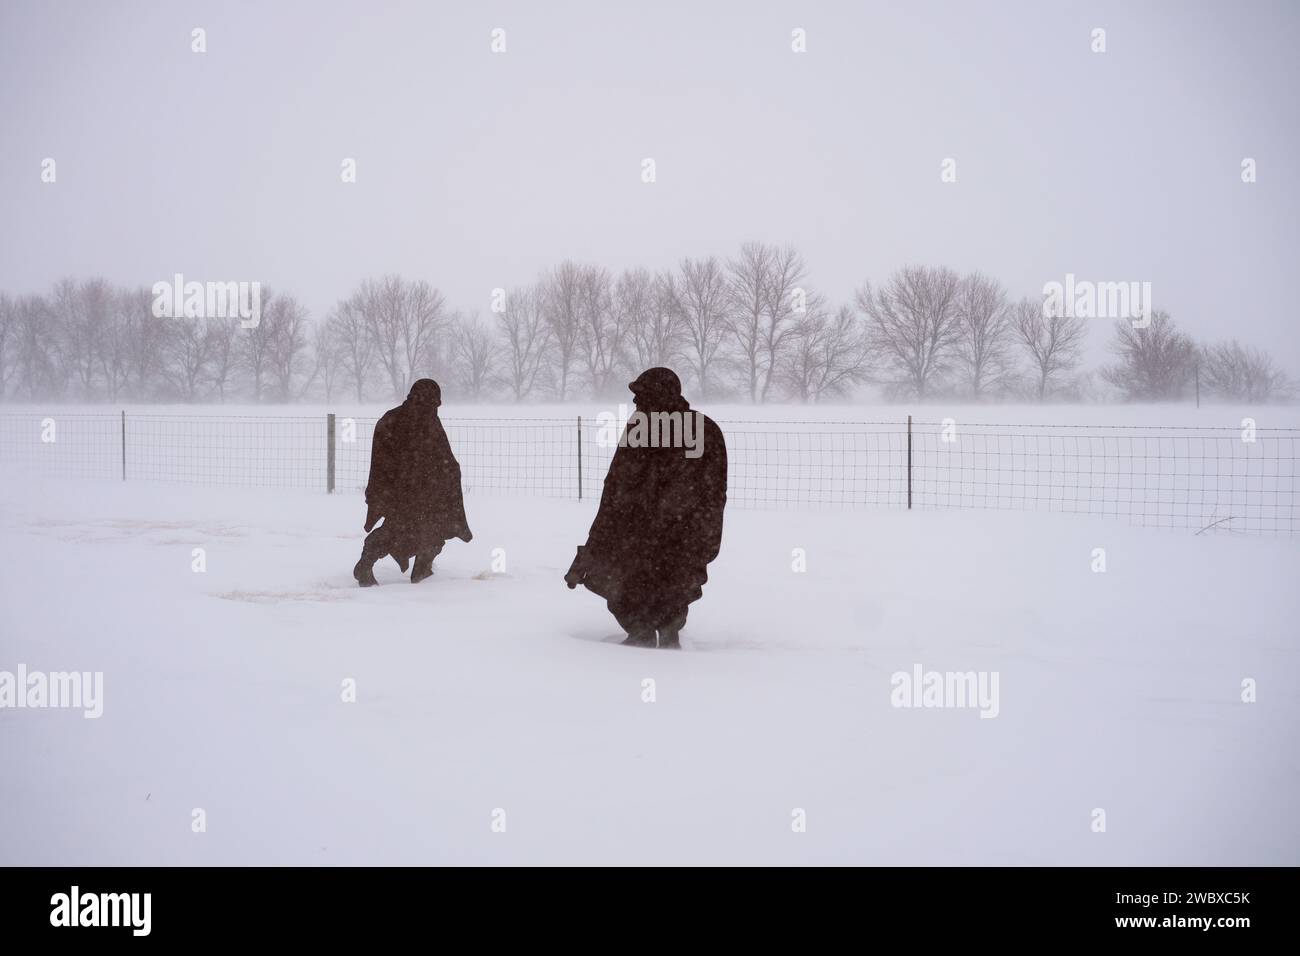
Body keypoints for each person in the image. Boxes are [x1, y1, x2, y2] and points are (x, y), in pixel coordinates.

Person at [565, 368, 727, 648]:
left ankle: (656, 636)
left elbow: (712, 491)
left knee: (654, 583)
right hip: (656, 533)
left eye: (642, 396)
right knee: (656, 584)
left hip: (669, 534)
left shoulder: (692, 430)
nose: (636, 404)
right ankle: (651, 635)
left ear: (659, 395)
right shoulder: (688, 428)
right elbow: (616, 486)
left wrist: (699, 531)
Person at [353, 378, 472, 587]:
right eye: (435, 402)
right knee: (414, 529)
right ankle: (372, 565)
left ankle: (416, 568)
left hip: (412, 492)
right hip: (408, 493)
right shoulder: (415, 420)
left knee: (415, 529)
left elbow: (442, 457)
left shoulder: (400, 418)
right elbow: (389, 460)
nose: (436, 407)